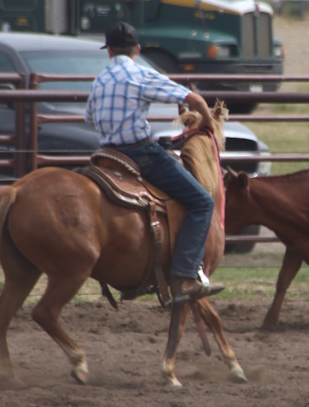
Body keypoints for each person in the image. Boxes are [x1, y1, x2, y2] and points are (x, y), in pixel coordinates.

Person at [85, 21, 224, 305]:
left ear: (109, 51)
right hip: (139, 153)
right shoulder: (141, 75)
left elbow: (89, 118)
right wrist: (208, 123)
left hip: (106, 155)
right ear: (137, 49)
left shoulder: (100, 79)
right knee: (202, 202)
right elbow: (194, 99)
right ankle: (184, 276)